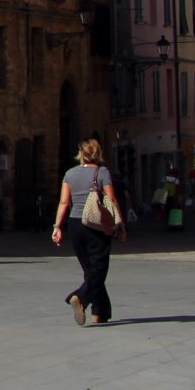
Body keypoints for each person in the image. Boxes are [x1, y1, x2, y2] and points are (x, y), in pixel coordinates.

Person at [52, 138, 124, 326]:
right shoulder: (103, 172)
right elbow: (112, 199)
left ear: (81, 154)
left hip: (76, 224)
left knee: (90, 270)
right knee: (99, 269)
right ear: (98, 152)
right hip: (96, 224)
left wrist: (57, 226)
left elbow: (64, 202)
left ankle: (100, 312)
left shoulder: (69, 174)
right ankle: (80, 299)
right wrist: (120, 224)